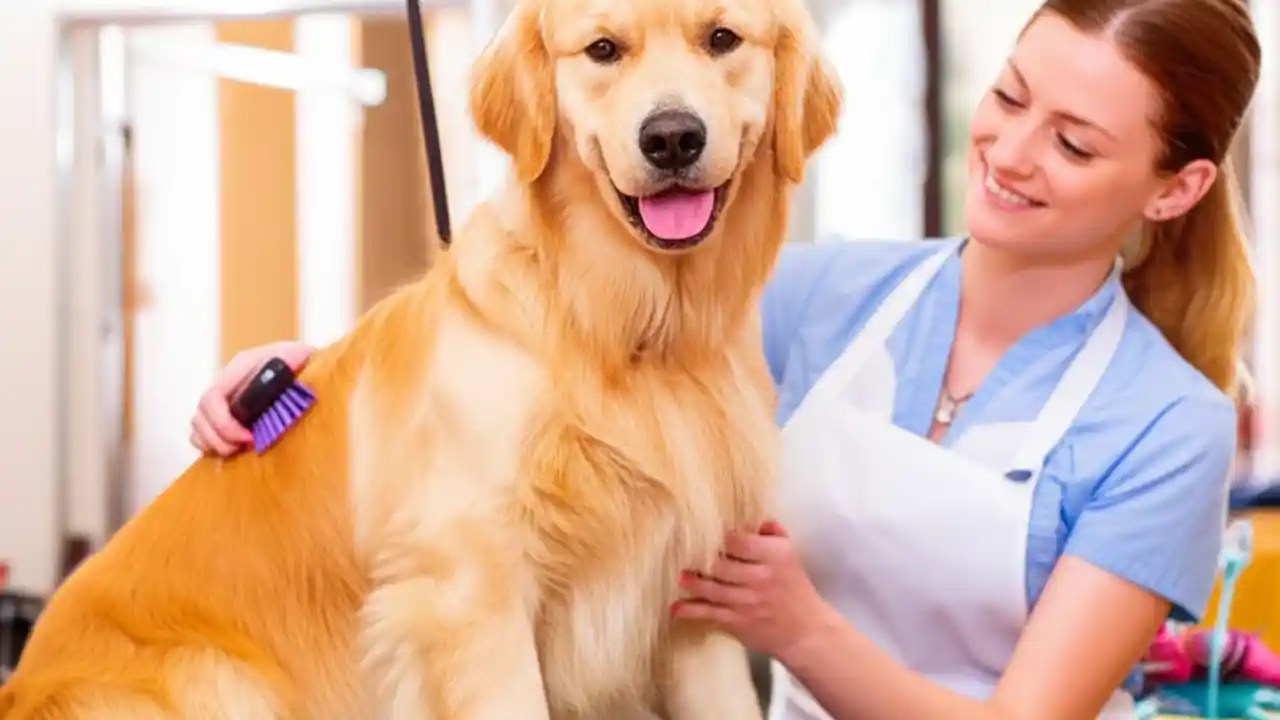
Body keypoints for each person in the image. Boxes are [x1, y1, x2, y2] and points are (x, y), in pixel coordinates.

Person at [188, 0, 1261, 716]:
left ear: (1173, 189)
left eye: (1072, 142)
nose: (1010, 153)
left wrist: (797, 628)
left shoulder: (1169, 428)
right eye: (1010, 98)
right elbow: (545, 341)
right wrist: (315, 376)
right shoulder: (825, 298)